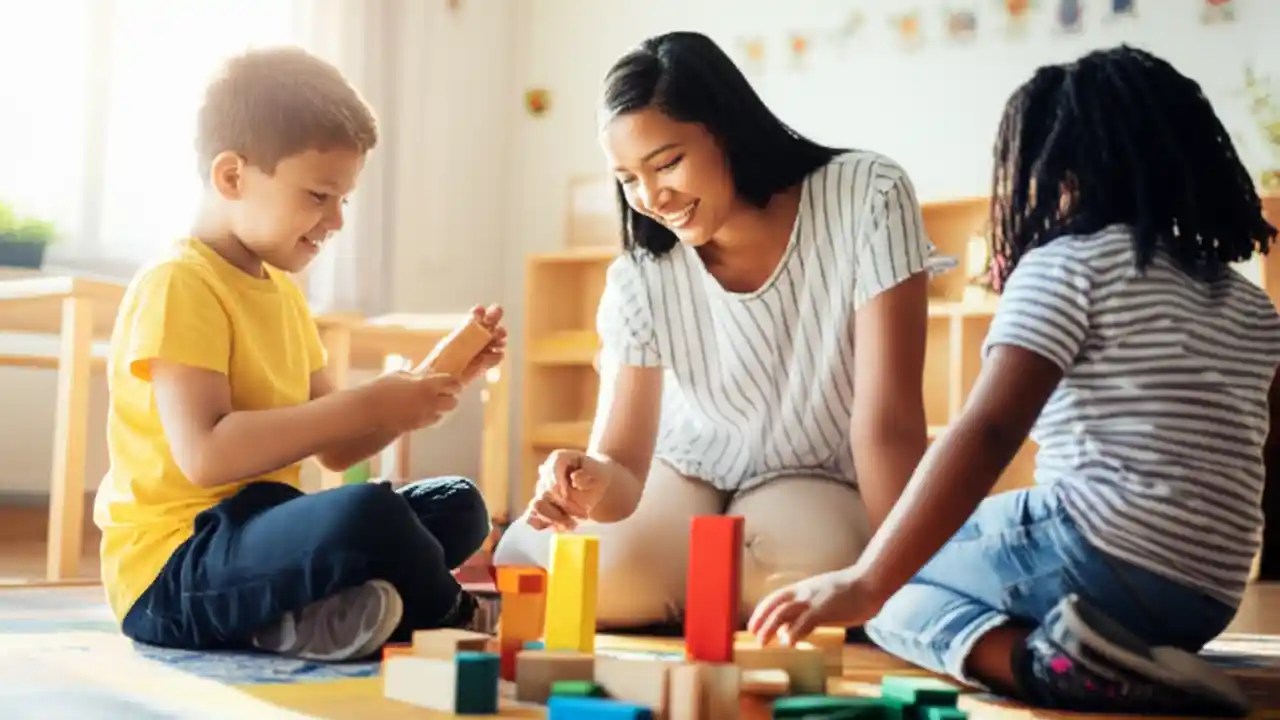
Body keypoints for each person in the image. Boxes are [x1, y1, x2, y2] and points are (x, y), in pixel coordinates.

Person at [749, 45, 1279, 718]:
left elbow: (990, 428)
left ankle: (1050, 667)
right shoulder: (1248, 301)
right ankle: (1123, 658)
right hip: (1208, 593)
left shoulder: (1069, 264)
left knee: (889, 588)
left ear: (1057, 170)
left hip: (1103, 552)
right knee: (897, 566)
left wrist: (864, 579)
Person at [495, 31, 945, 626]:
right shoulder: (642, 273)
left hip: (817, 474)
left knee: (791, 577)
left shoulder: (868, 195)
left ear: (726, 129)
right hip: (686, 468)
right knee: (598, 585)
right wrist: (588, 479)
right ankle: (685, 586)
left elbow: (888, 427)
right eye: (628, 179)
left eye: (668, 163)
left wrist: (906, 579)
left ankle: (705, 592)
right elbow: (625, 466)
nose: (652, 197)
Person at [93, 47, 505, 661]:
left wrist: (429, 383)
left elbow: (337, 446)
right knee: (369, 515)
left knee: (458, 505)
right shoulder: (179, 283)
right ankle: (454, 615)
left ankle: (305, 616)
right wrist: (372, 400)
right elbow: (207, 454)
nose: (337, 218)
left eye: (345, 199)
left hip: (256, 534)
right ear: (232, 176)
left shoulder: (282, 293)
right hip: (175, 569)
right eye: (318, 195)